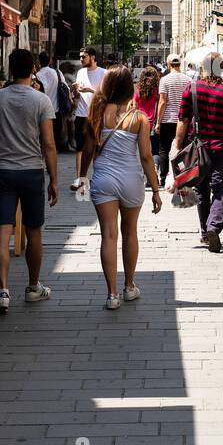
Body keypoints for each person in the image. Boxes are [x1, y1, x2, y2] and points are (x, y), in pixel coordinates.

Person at [73, 66, 162, 309]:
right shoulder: (139, 118)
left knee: (108, 236)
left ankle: (112, 295)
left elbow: (88, 150)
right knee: (130, 232)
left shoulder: (97, 113)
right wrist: (155, 190)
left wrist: (82, 178)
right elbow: (146, 157)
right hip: (132, 180)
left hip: (104, 181)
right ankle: (129, 286)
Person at [0, 48, 59, 315]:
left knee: (3, 230)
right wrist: (54, 179)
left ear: (10, 69)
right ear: (33, 68)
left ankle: (3, 291)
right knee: (33, 231)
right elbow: (48, 144)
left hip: (3, 171)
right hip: (32, 172)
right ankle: (33, 287)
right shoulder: (41, 101)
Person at [174, 52, 223, 253]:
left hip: (198, 149)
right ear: (221, 68)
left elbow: (183, 121)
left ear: (204, 67)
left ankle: (206, 233)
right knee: (220, 188)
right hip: (221, 149)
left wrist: (178, 146)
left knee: (201, 189)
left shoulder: (191, 89)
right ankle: (214, 225)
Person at [72, 47, 106, 183]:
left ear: (92, 57)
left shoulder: (104, 73)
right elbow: (76, 96)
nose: (81, 59)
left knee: (96, 148)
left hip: (96, 115)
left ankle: (96, 177)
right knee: (79, 147)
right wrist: (74, 91)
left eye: (84, 56)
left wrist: (90, 90)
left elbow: (105, 95)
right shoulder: (80, 72)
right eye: (80, 57)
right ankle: (80, 179)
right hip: (81, 114)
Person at [156, 55, 188, 185]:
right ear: (180, 64)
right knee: (182, 148)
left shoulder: (164, 80)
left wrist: (158, 122)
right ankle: (181, 175)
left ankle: (163, 179)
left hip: (167, 119)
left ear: (169, 64)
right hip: (183, 120)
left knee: (164, 149)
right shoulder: (188, 80)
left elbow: (162, 102)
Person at [135, 65, 161, 171]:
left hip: (141, 124)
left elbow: (134, 108)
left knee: (143, 151)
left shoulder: (138, 90)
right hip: (155, 124)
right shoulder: (158, 90)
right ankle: (154, 169)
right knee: (155, 150)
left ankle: (147, 174)